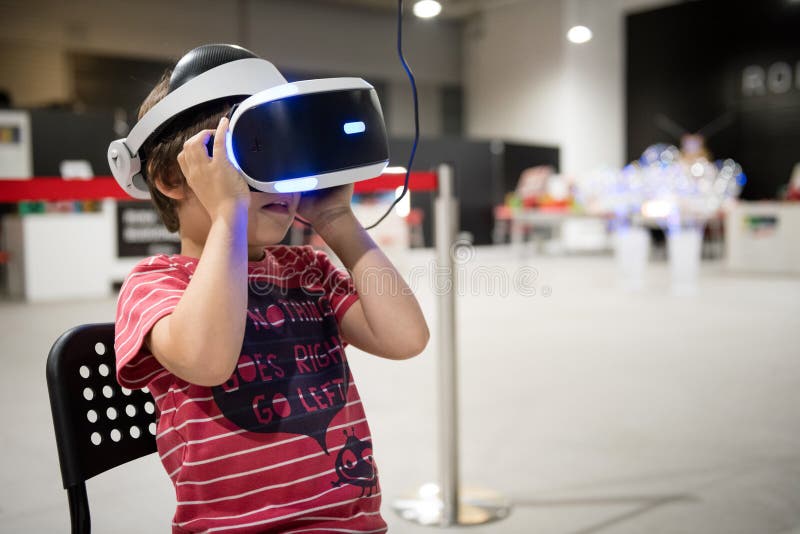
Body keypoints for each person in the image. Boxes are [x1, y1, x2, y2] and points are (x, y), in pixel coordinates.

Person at [114, 45, 429, 533]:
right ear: (173, 177)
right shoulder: (156, 285)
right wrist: (229, 214)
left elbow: (406, 338)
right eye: (256, 152)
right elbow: (207, 360)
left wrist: (337, 220)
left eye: (291, 154)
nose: (283, 181)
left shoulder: (307, 270)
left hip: (352, 524)